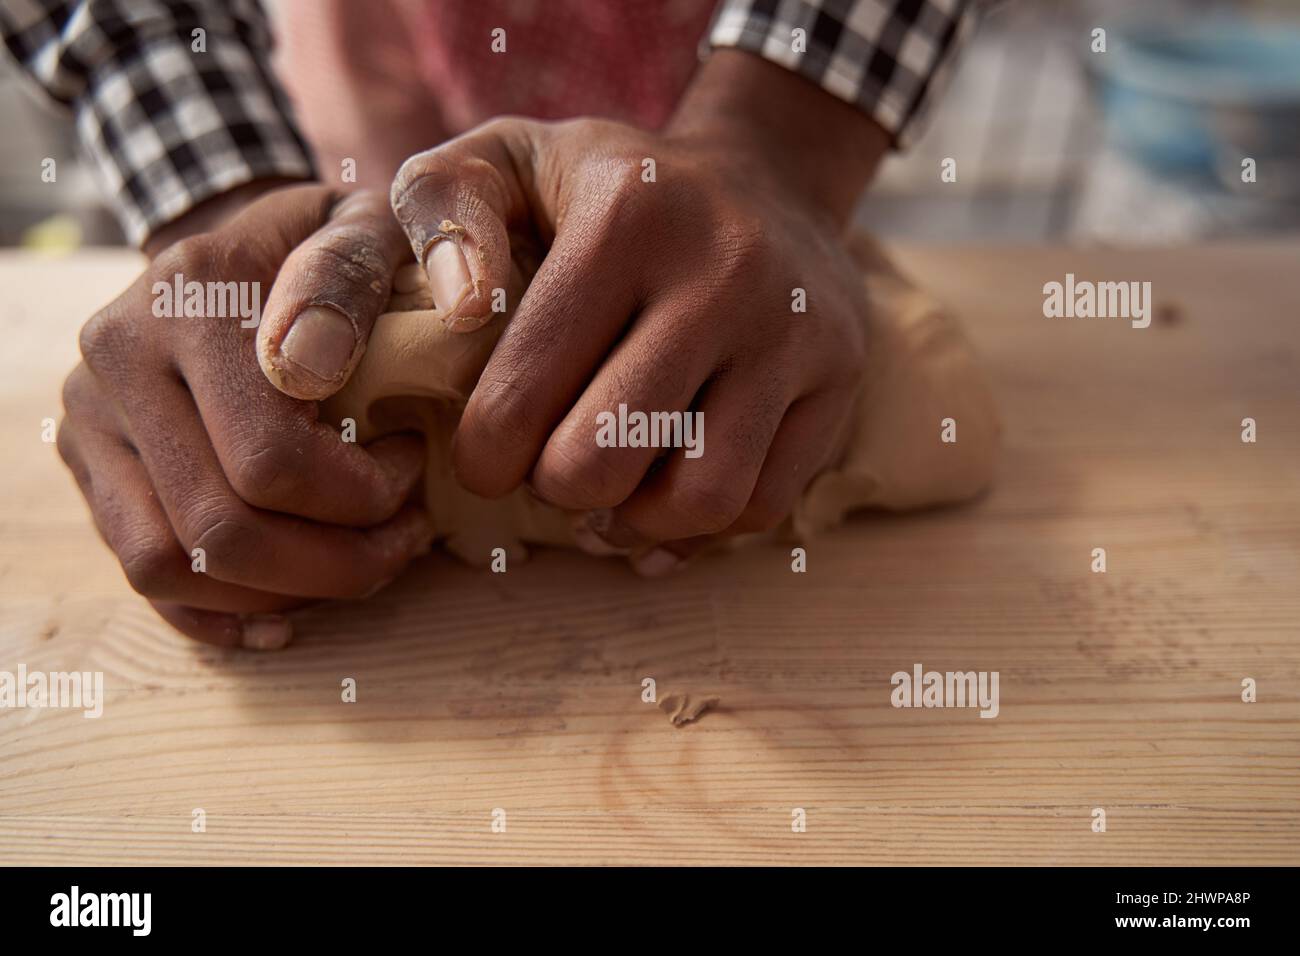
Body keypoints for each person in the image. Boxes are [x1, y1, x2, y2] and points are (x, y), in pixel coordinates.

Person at [1, 0, 984, 648]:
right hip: (355, 133)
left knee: (748, 331)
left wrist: (781, 143)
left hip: (760, 188)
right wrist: (232, 222)